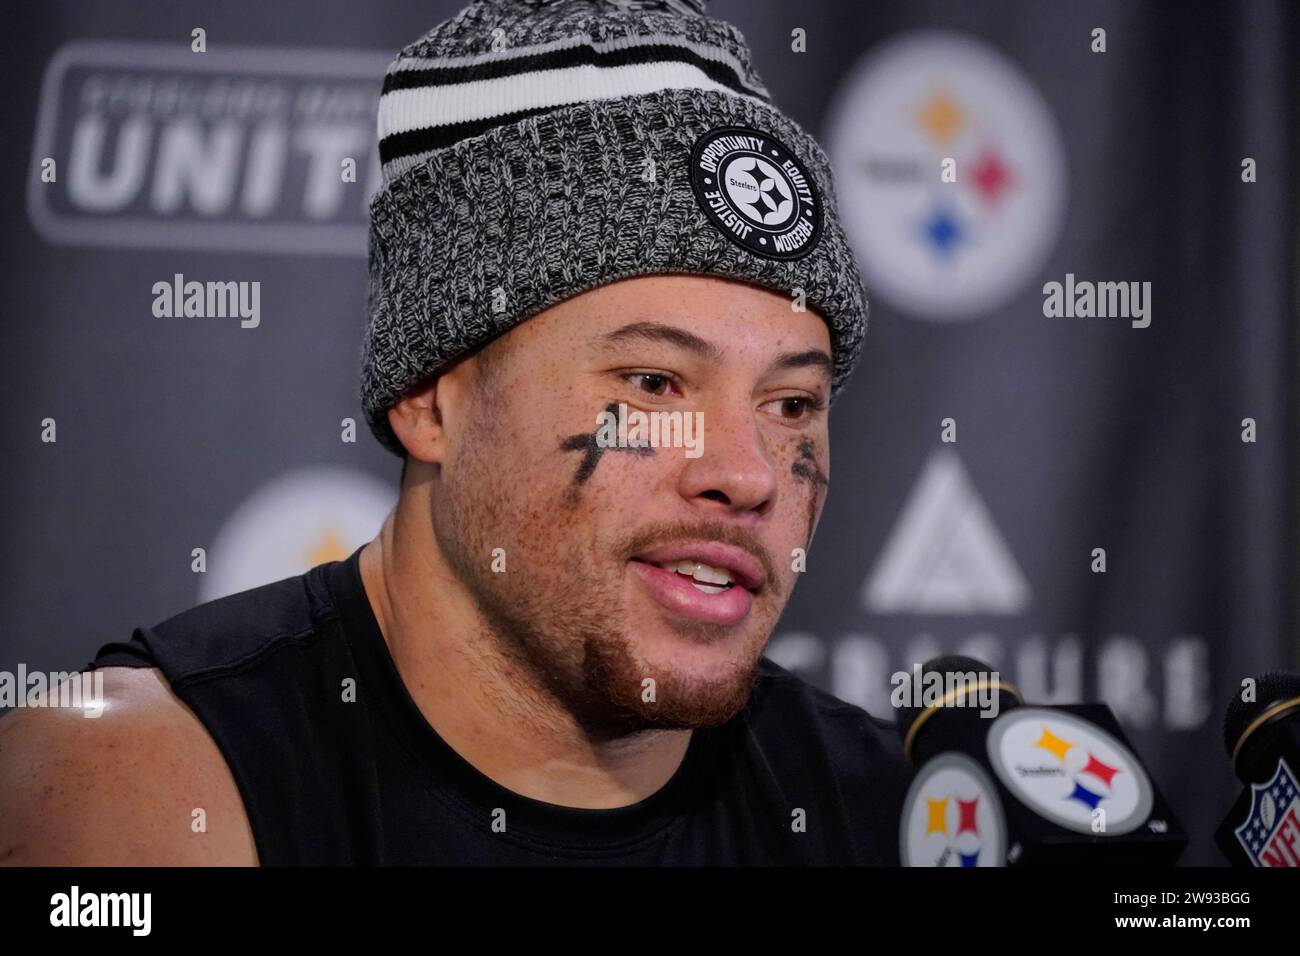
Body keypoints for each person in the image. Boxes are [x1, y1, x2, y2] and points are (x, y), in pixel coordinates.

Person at [0, 0, 909, 865]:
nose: (745, 476)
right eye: (653, 382)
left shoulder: (899, 816)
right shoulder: (138, 785)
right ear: (430, 398)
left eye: (791, 404)